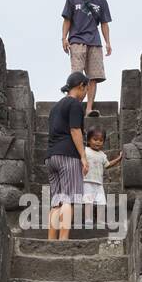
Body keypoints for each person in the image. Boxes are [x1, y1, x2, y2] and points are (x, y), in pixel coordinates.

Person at [61, 0, 112, 118]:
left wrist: (108, 42)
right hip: (77, 40)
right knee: (77, 75)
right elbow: (67, 20)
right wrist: (63, 38)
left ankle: (89, 109)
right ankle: (73, 106)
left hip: (94, 41)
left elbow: (104, 23)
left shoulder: (101, 1)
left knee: (93, 77)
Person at [47, 72, 89, 240]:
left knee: (56, 200)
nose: (85, 94)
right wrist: (83, 156)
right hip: (68, 156)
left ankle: (51, 241)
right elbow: (74, 130)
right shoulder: (76, 104)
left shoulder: (55, 107)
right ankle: (63, 241)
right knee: (68, 200)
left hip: (51, 157)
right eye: (86, 89)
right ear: (81, 86)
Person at [81, 124, 121, 228]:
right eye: (95, 139)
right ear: (88, 140)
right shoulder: (84, 151)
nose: (98, 142)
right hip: (87, 181)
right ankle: (88, 220)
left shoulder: (102, 155)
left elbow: (107, 165)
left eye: (101, 140)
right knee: (88, 202)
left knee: (101, 202)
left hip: (99, 183)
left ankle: (100, 220)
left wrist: (119, 159)